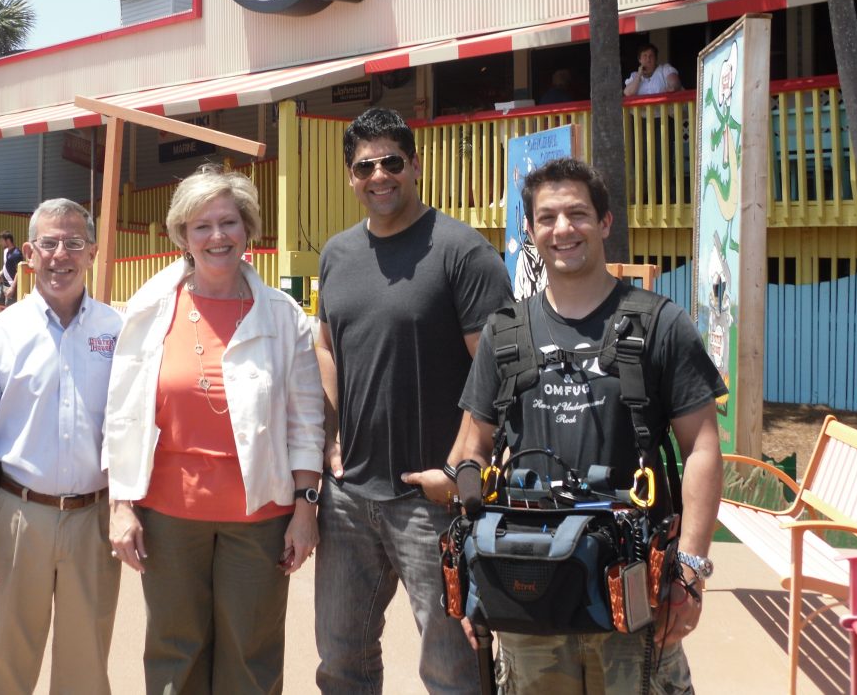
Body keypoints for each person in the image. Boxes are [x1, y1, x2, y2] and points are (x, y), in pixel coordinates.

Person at [458, 158, 725, 693]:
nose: (563, 229)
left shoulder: (659, 324)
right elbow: (472, 446)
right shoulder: (504, 333)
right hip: (527, 590)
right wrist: (473, 574)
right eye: (547, 217)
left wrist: (691, 570)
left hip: (632, 590)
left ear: (605, 222)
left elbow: (701, 447)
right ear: (530, 229)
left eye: (578, 213)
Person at [104, 164, 324, 695]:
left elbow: (306, 421)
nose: (217, 236)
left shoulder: (283, 316)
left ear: (248, 229)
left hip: (260, 516)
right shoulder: (150, 309)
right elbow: (123, 412)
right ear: (183, 235)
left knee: (251, 658)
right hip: (168, 517)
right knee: (174, 656)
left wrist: (305, 511)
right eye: (201, 225)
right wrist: (120, 504)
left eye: (228, 222)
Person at [314, 107, 512, 694]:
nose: (379, 175)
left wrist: (459, 470)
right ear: (350, 177)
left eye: (391, 162)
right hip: (349, 498)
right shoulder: (337, 254)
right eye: (364, 166)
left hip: (434, 502)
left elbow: (499, 373)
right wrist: (331, 434)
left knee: (454, 670)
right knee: (341, 663)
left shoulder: (463, 252)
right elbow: (326, 346)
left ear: (416, 166)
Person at [0, 198, 122, 694]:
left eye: (74, 243)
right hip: (17, 517)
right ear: (30, 254)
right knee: (5, 666)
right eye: (49, 243)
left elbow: (132, 429)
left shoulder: (117, 332)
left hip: (94, 520)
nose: (61, 255)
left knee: (86, 671)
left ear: (92, 252)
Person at [0, 231, 23, 307]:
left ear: (8, 240)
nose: (0, 243)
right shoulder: (5, 251)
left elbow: (19, 271)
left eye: (1, 241)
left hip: (12, 286)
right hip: (3, 284)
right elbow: (6, 265)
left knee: (9, 309)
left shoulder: (16, 254)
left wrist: (12, 288)